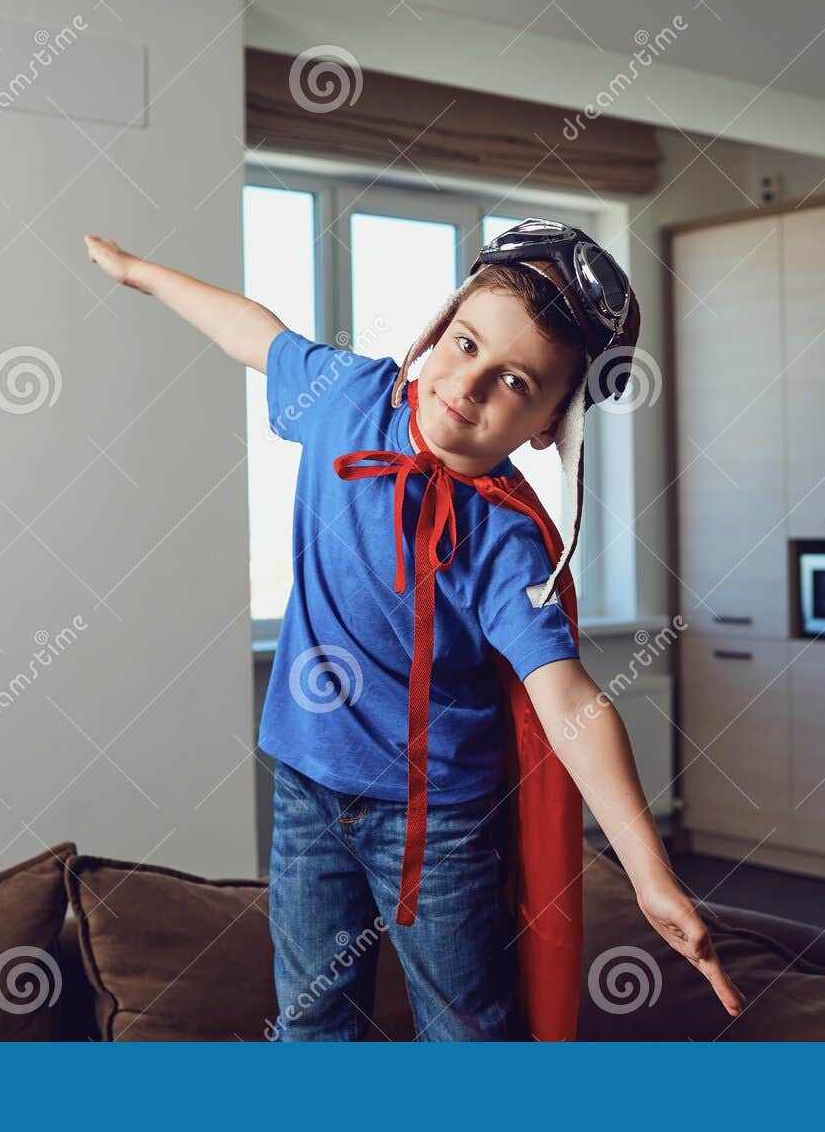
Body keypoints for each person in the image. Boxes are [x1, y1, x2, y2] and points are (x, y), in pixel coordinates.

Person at [84, 220, 744, 1040]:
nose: (467, 385)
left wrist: (651, 873)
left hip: (437, 823)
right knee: (312, 1016)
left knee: (464, 1030)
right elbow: (251, 331)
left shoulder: (506, 538)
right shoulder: (346, 397)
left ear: (548, 425)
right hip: (305, 784)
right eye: (465, 344)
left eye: (514, 381)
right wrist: (140, 271)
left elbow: (567, 698)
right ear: (439, 326)